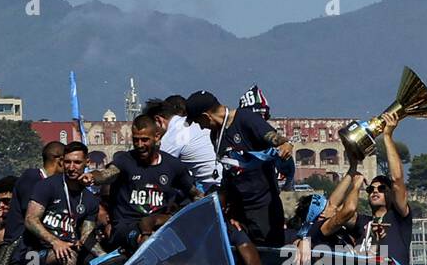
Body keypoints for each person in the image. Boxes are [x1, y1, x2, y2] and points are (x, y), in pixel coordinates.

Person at [184, 90, 293, 247]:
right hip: (239, 210)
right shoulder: (215, 135)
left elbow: (271, 136)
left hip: (262, 206)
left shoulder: (244, 119)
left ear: (206, 116)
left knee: (267, 256)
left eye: (199, 122)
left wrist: (284, 143)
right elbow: (229, 172)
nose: (201, 128)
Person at [21, 141, 103, 265]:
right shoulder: (47, 186)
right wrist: (55, 241)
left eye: (77, 162)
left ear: (86, 163)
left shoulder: (89, 199)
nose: (72, 167)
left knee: (77, 258)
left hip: (64, 256)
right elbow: (30, 220)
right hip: (33, 254)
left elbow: (86, 234)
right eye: (67, 162)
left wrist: (104, 256)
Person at [89, 113, 197, 254]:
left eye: (145, 140)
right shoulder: (124, 161)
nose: (140, 145)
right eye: (136, 140)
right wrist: (91, 177)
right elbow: (105, 175)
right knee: (146, 242)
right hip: (127, 226)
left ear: (157, 137)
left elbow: (195, 194)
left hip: (160, 224)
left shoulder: (173, 165)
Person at [359, 110, 412, 265]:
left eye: (381, 188)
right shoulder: (363, 222)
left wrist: (387, 136)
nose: (375, 191)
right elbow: (343, 212)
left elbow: (397, 179)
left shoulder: (399, 218)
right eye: (371, 189)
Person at [144, 96, 220, 190]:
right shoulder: (192, 123)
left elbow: (155, 171)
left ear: (158, 120)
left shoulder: (172, 137)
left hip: (213, 187)